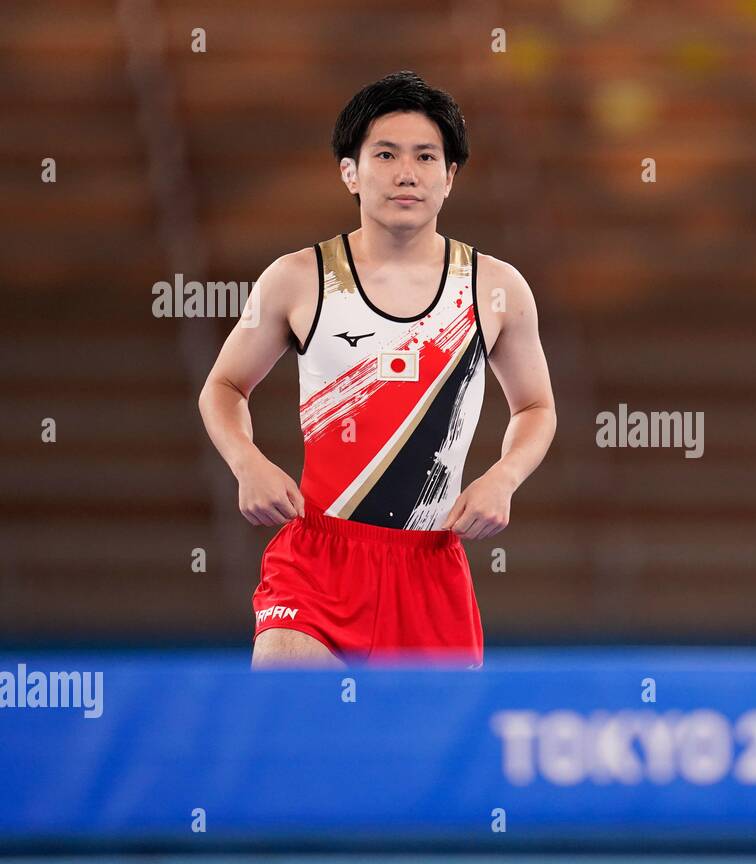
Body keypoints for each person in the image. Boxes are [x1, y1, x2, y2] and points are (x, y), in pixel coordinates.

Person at [198, 71, 556, 669]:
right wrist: (247, 462)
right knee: (289, 718)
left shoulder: (495, 288)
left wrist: (504, 478)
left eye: (425, 157)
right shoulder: (297, 278)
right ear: (350, 171)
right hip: (316, 562)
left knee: (415, 765)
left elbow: (536, 407)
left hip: (429, 569)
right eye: (385, 154)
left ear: (450, 177)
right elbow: (224, 386)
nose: (406, 173)